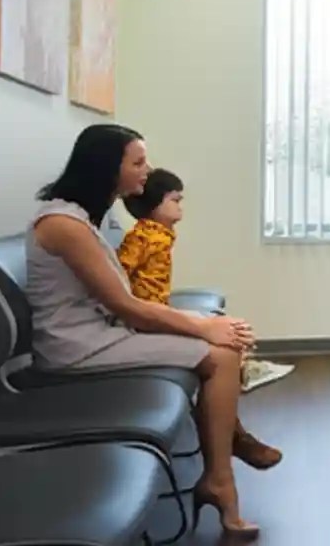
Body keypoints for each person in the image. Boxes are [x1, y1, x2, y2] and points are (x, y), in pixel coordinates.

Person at [26, 124, 260, 539]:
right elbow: (126, 305)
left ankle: (225, 461)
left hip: (99, 334)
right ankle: (220, 479)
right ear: (106, 168)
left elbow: (123, 304)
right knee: (222, 355)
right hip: (77, 348)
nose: (147, 171)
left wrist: (205, 329)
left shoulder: (81, 219)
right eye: (137, 162)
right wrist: (205, 327)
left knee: (221, 347)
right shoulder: (65, 225)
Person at [119, 167, 293, 470]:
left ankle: (243, 375)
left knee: (226, 327)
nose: (180, 207)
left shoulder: (159, 234)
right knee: (215, 338)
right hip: (145, 316)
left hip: (157, 308)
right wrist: (133, 305)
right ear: (155, 205)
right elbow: (118, 273)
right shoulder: (142, 236)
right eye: (175, 200)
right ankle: (237, 424)